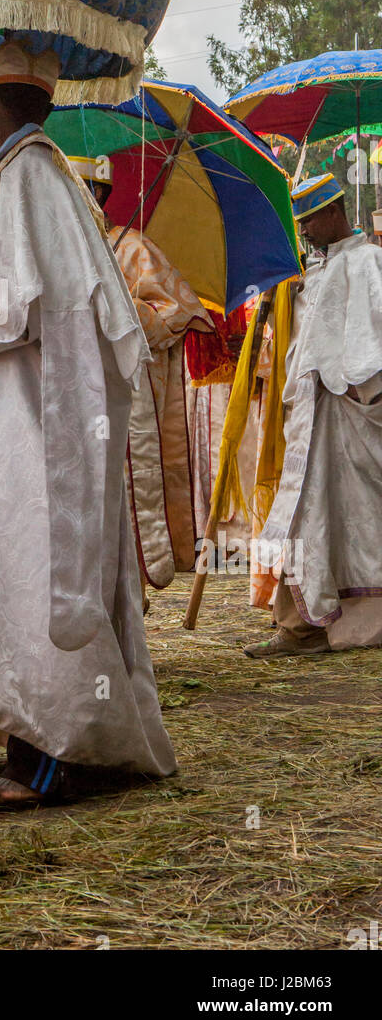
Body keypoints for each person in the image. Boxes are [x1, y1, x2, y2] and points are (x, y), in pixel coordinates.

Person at [0, 40, 176, 808]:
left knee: (34, 575)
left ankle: (50, 758)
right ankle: (52, 748)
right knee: (24, 573)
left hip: (30, 429)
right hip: (27, 420)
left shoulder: (29, 178)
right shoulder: (44, 181)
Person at [246, 174, 382, 657]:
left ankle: (320, 628)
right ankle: (299, 626)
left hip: (350, 422)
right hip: (313, 423)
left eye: (308, 221)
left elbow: (372, 349)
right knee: (307, 516)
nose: (303, 231)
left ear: (333, 212)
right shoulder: (315, 270)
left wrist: (363, 400)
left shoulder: (368, 262)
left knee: (349, 521)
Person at [72, 156, 213, 602]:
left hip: (125, 401)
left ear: (96, 196)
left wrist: (124, 315)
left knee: (124, 495)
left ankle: (129, 596)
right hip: (72, 399)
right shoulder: (59, 253)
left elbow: (180, 309)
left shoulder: (134, 249)